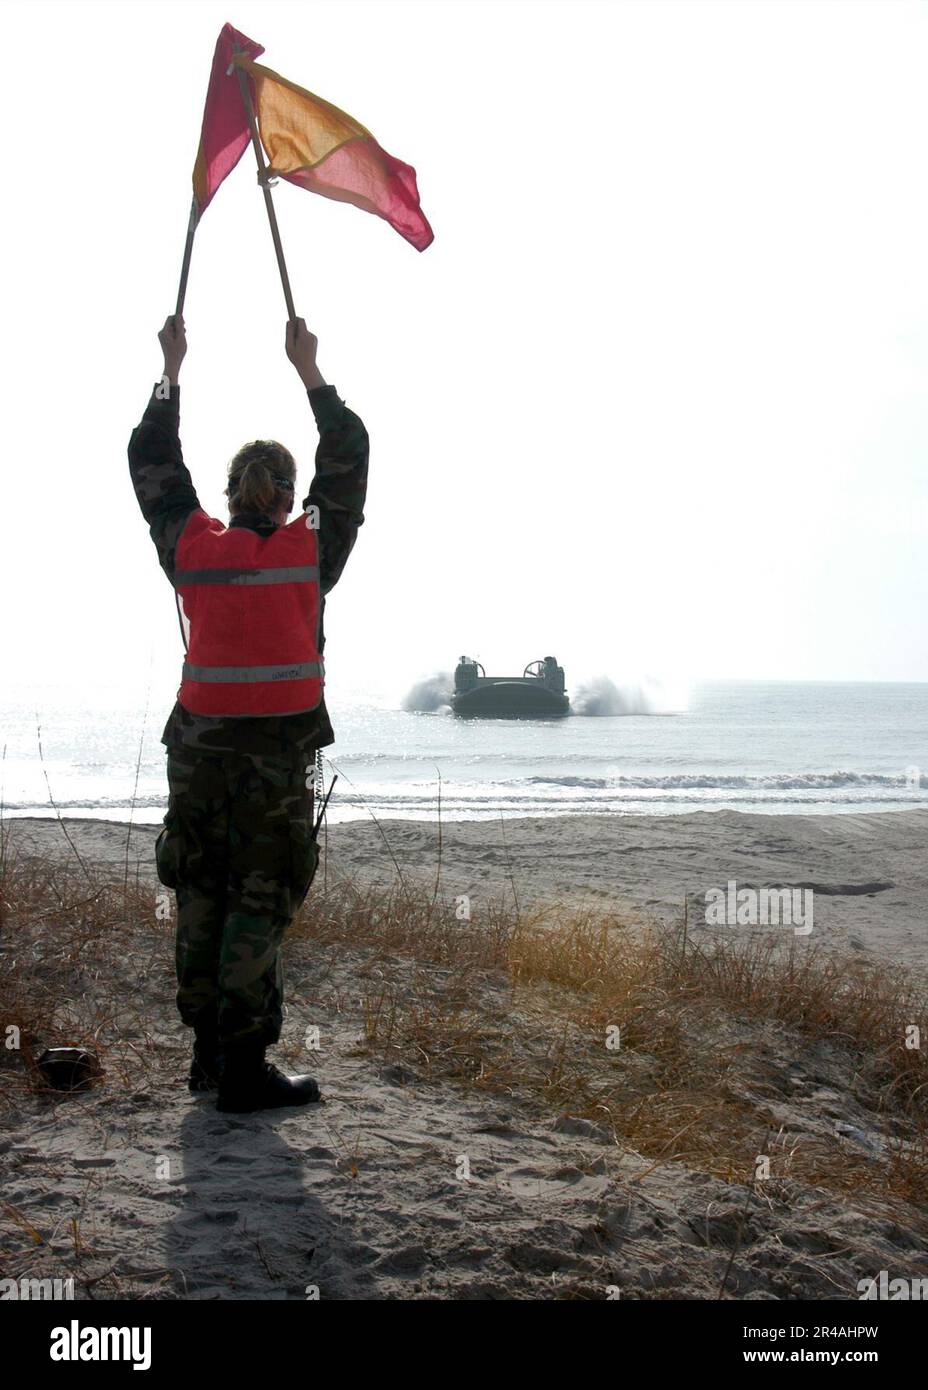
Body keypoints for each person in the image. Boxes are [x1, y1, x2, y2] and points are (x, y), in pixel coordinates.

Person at [127, 313, 368, 1113]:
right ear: (289, 494)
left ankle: (205, 1056)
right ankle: (240, 1069)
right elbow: (351, 458)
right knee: (259, 899)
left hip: (197, 756)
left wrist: (171, 371)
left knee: (201, 888)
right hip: (272, 762)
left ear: (229, 497)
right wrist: (311, 371)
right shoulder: (310, 550)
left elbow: (153, 465)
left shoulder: (194, 548)